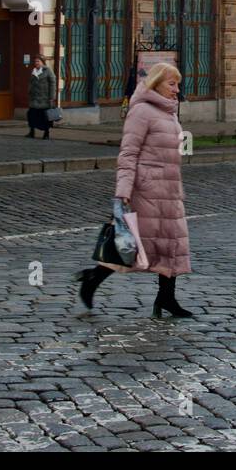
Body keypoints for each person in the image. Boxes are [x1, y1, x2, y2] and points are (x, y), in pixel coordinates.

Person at [75, 62, 193, 317]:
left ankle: (166, 299)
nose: (176, 90)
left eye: (177, 84)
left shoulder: (169, 111)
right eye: (171, 84)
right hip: (146, 190)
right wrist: (124, 191)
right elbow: (128, 153)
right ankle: (93, 278)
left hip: (170, 190)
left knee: (169, 245)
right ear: (155, 83)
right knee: (134, 245)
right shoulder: (141, 111)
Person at [26, 54, 56, 139]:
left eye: (38, 61)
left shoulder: (48, 70)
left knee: (45, 117)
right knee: (31, 115)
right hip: (34, 98)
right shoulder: (34, 71)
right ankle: (32, 132)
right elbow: (31, 82)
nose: (36, 63)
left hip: (44, 98)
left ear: (42, 62)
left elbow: (53, 83)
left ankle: (46, 134)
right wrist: (29, 91)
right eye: (35, 61)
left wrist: (52, 97)